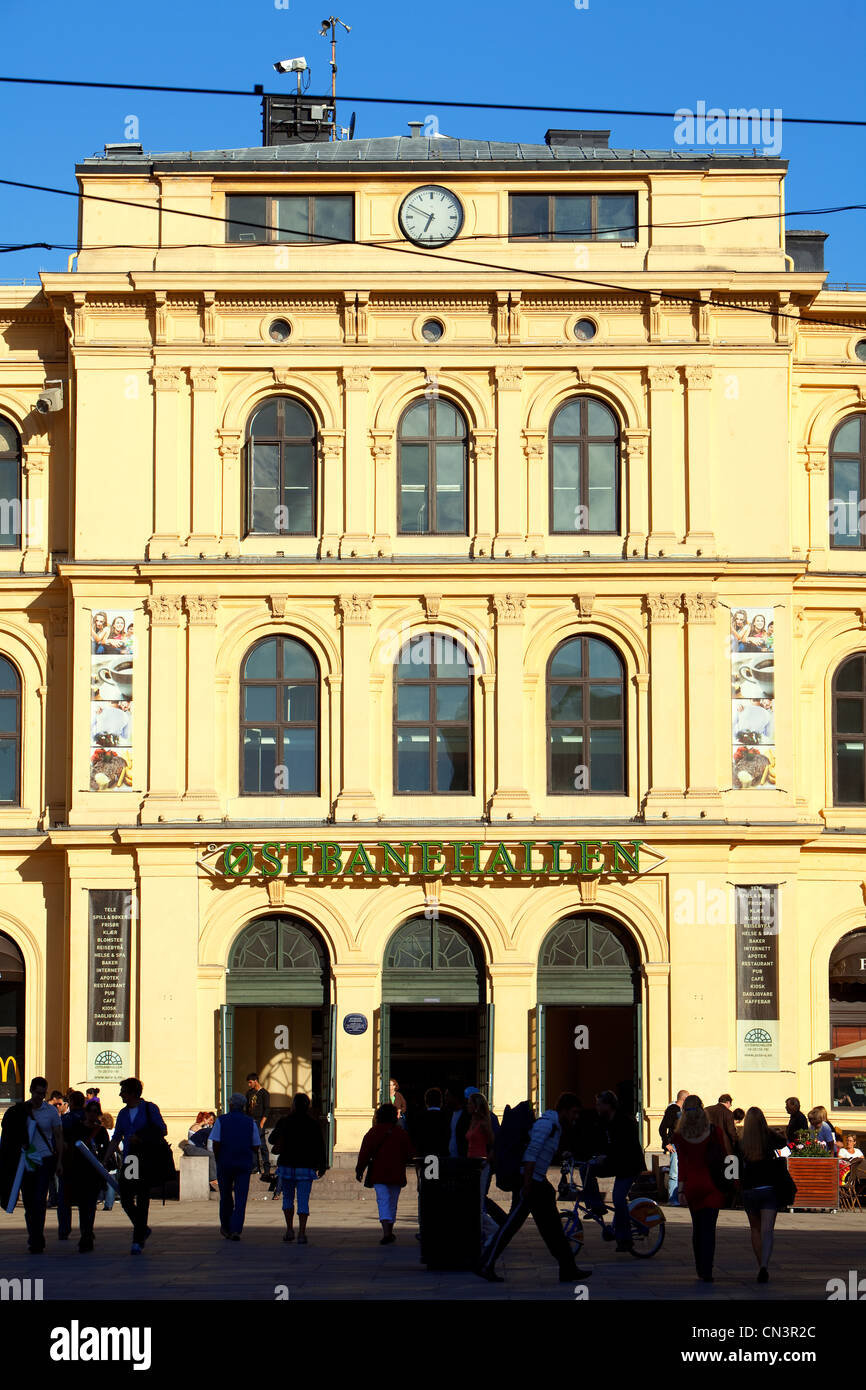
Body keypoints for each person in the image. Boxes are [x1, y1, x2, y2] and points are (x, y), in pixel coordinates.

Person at [478, 1092, 592, 1284]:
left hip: (538, 1183)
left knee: (553, 1227)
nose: (575, 1117)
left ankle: (568, 1268)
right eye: (573, 1112)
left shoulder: (555, 1127)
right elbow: (530, 1154)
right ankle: (485, 1264)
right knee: (511, 1226)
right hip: (530, 1182)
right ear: (563, 1110)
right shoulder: (546, 1124)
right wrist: (527, 1185)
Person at [103, 1076, 167, 1255]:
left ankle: (137, 1239)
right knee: (125, 1198)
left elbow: (162, 1129)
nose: (120, 1095)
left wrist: (142, 1138)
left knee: (143, 1198)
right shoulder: (123, 1113)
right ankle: (142, 1228)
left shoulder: (149, 1108)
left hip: (146, 1159)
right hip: (130, 1160)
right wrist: (106, 1157)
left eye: (123, 1091)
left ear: (131, 1093)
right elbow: (116, 1138)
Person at [0, 1076, 64, 1254]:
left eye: (43, 1094)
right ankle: (35, 1235)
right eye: (37, 1093)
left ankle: (36, 1238)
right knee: (29, 1202)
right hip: (26, 1161)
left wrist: (59, 1161)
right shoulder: (21, 1110)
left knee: (39, 1199)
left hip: (44, 1159)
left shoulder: (51, 1111)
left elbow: (58, 1136)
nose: (40, 1097)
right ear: (31, 1090)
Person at [672, 1095, 730, 1283]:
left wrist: (680, 1190)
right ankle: (707, 1269)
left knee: (697, 1228)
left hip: (692, 1186)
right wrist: (733, 1181)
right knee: (709, 1230)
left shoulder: (679, 1136)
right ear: (702, 1109)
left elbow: (682, 1165)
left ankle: (699, 1266)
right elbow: (726, 1157)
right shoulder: (715, 1132)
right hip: (713, 1185)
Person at [580, 1090, 646, 1252]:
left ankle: (625, 1239)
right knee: (585, 1168)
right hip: (615, 1163)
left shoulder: (625, 1121)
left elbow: (624, 1149)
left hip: (629, 1165)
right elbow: (594, 1142)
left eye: (599, 1104)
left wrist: (606, 1157)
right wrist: (582, 1155)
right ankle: (596, 1205)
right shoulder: (603, 1122)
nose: (596, 1107)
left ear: (608, 1105)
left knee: (618, 1198)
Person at [268, 1093, 327, 1243]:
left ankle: (289, 1230)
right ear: (307, 1106)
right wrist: (322, 1165)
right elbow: (320, 1146)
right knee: (303, 1199)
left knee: (287, 1198)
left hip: (287, 1164)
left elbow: (271, 1139)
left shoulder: (285, 1121)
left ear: (293, 1105)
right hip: (306, 1166)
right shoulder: (313, 1123)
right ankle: (302, 1233)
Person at [737, 1106, 787, 1284]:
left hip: (749, 1189)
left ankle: (760, 1265)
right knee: (767, 1230)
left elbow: (735, 1163)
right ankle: (764, 1265)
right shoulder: (770, 1136)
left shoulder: (741, 1140)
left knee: (755, 1229)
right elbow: (785, 1145)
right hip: (768, 1188)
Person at [355, 1102, 415, 1244]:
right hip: (396, 1172)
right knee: (393, 1202)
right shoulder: (401, 1132)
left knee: (382, 1200)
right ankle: (390, 1230)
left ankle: (386, 1231)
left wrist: (359, 1170)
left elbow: (364, 1153)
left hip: (378, 1171)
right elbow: (410, 1153)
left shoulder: (373, 1132)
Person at [62, 1099, 111, 1254]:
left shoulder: (101, 1131)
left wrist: (103, 1162)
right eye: (90, 1111)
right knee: (83, 1206)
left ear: (98, 1114)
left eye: (95, 1111)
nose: (92, 1114)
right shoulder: (76, 1128)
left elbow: (105, 1151)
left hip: (94, 1173)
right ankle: (86, 1232)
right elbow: (68, 1147)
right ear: (86, 1112)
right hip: (78, 1172)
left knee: (90, 1205)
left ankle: (87, 1235)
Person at [211, 1093, 260, 1240]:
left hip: (225, 1162)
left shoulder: (221, 1120)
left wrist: (219, 1158)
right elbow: (256, 1145)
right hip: (243, 1163)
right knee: (241, 1197)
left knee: (225, 1196)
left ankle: (226, 1227)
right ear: (243, 1106)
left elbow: (216, 1143)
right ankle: (236, 1229)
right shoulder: (250, 1122)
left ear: (231, 1105)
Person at [57, 1090, 86, 1240]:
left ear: (71, 1103)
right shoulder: (89, 1118)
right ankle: (85, 1231)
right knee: (85, 1201)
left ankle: (64, 1230)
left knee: (64, 1200)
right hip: (85, 1164)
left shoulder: (65, 1119)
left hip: (68, 1162)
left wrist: (59, 1161)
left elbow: (59, 1140)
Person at [660, 1089, 688, 1206]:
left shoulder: (681, 1110)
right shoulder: (673, 1110)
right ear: (684, 1099)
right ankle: (672, 1198)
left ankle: (678, 1197)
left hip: (681, 1144)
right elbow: (662, 1127)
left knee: (679, 1170)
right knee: (674, 1171)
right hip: (675, 1144)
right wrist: (666, 1143)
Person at [409, 1087, 451, 1158]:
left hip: (424, 1154)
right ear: (440, 1101)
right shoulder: (447, 1116)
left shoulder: (419, 1117)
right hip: (442, 1154)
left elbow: (415, 1137)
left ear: (426, 1101)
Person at [245, 1073, 272, 1180]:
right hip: (250, 1121)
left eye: (250, 1082)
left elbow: (267, 1109)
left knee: (262, 1145)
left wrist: (262, 1123)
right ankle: (255, 1167)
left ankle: (266, 1168)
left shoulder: (264, 1093)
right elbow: (247, 1108)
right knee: (252, 1145)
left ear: (255, 1081)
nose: (249, 1084)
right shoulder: (249, 1093)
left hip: (259, 1121)